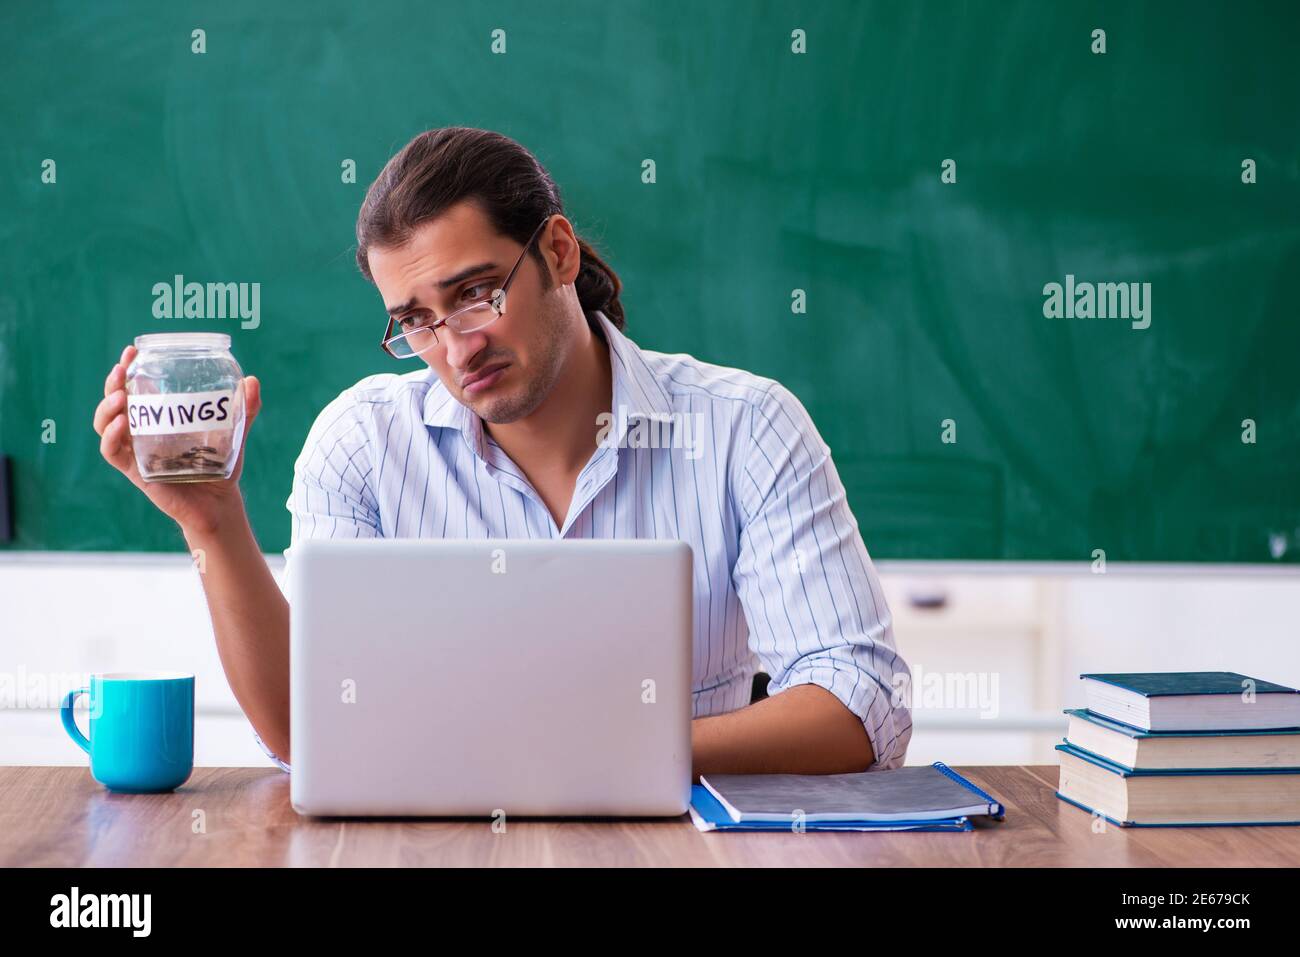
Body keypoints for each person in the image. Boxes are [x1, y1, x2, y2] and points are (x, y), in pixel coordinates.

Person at [93, 127, 911, 780]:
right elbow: (309, 731)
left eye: (475, 292)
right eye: (415, 319)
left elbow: (863, 703)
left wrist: (618, 755)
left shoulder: (747, 429)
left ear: (558, 252)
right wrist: (212, 523)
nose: (455, 345)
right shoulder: (362, 445)